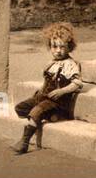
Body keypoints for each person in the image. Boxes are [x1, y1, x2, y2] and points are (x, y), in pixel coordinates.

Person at [12, 21, 82, 155]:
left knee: (36, 112)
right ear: (49, 47)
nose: (58, 50)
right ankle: (50, 116)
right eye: (54, 47)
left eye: (62, 47)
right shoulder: (50, 64)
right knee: (20, 108)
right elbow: (47, 82)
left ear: (69, 47)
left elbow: (77, 83)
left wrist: (62, 91)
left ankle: (24, 142)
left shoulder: (71, 64)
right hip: (44, 97)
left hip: (57, 101)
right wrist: (40, 90)